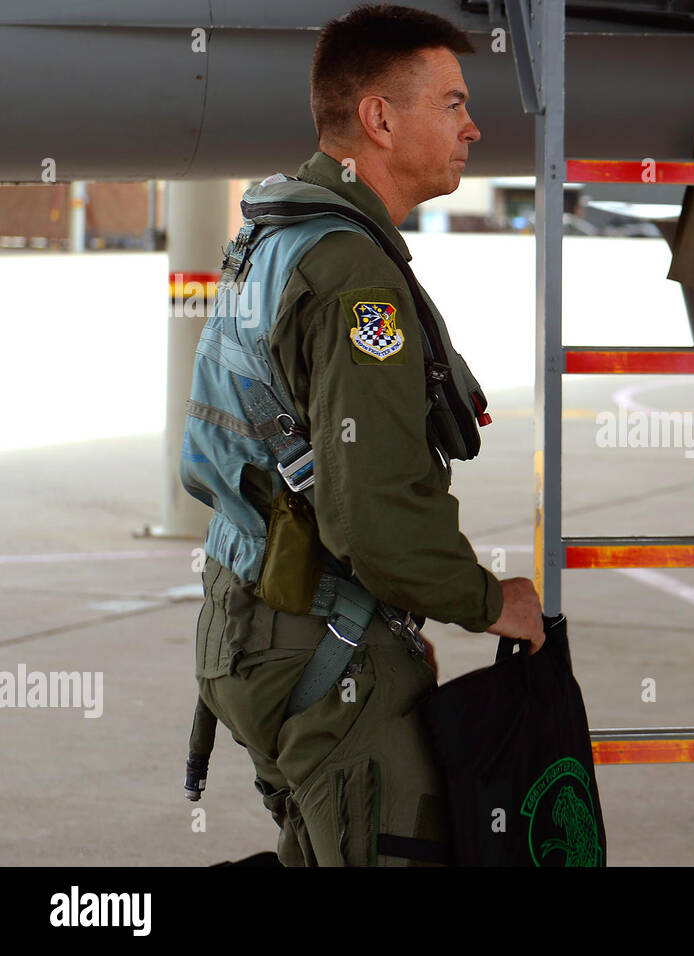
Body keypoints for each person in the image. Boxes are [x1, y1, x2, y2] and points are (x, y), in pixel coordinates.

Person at [180, 4, 543, 866]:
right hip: (326, 650)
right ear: (380, 118)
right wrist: (492, 603)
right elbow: (371, 513)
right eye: (452, 104)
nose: (474, 126)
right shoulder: (353, 278)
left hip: (253, 627)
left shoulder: (275, 234)